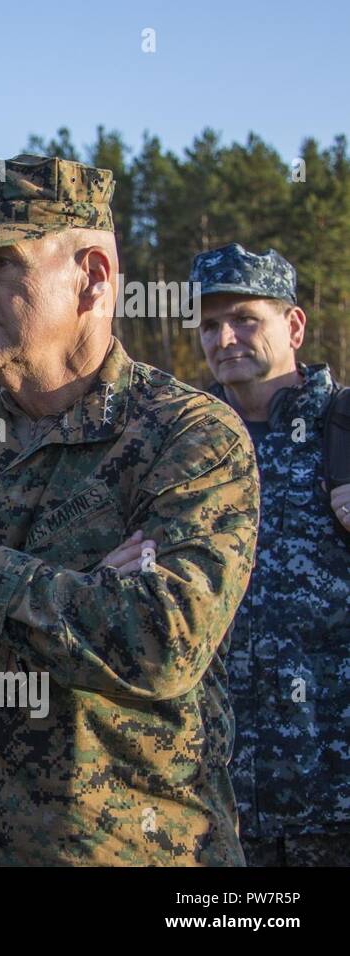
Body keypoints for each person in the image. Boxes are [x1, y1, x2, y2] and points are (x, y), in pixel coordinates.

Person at [0, 155, 260, 865]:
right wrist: (78, 609)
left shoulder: (190, 436)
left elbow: (160, 643)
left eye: (1, 263)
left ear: (92, 275)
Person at [192, 242, 350, 866]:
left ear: (295, 325)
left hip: (335, 801)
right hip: (217, 803)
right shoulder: (184, 449)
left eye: (245, 318)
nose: (224, 336)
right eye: (209, 325)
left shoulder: (345, 429)